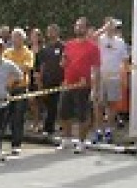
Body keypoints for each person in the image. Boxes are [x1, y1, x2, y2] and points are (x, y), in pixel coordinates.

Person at [58, 17, 100, 152]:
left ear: (87, 29)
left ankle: (81, 142)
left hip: (83, 85)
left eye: (81, 26)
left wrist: (94, 88)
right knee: (64, 112)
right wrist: (63, 62)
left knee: (82, 115)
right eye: (77, 26)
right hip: (68, 84)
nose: (78, 28)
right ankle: (67, 139)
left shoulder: (93, 47)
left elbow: (96, 69)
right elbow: (64, 63)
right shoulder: (69, 44)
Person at [92, 18, 128, 143]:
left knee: (112, 105)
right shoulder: (100, 39)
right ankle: (98, 131)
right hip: (100, 76)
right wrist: (104, 28)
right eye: (112, 26)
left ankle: (108, 130)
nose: (113, 28)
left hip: (114, 77)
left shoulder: (120, 42)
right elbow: (92, 37)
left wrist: (124, 77)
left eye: (116, 27)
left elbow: (124, 61)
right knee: (98, 104)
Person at [1, 28, 33, 155]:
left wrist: (13, 74)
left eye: (19, 37)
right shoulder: (7, 52)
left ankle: (16, 144)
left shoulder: (28, 53)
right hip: (7, 88)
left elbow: (26, 67)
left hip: (20, 88)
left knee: (18, 117)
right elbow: (2, 67)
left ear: (23, 39)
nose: (16, 39)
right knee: (3, 116)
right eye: (14, 37)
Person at [33, 23, 65, 136]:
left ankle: (48, 128)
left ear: (57, 32)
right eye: (49, 31)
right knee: (47, 105)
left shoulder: (63, 47)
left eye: (53, 31)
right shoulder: (45, 49)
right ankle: (47, 127)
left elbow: (66, 64)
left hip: (59, 82)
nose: (50, 33)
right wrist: (39, 81)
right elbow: (39, 66)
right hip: (46, 82)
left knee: (54, 105)